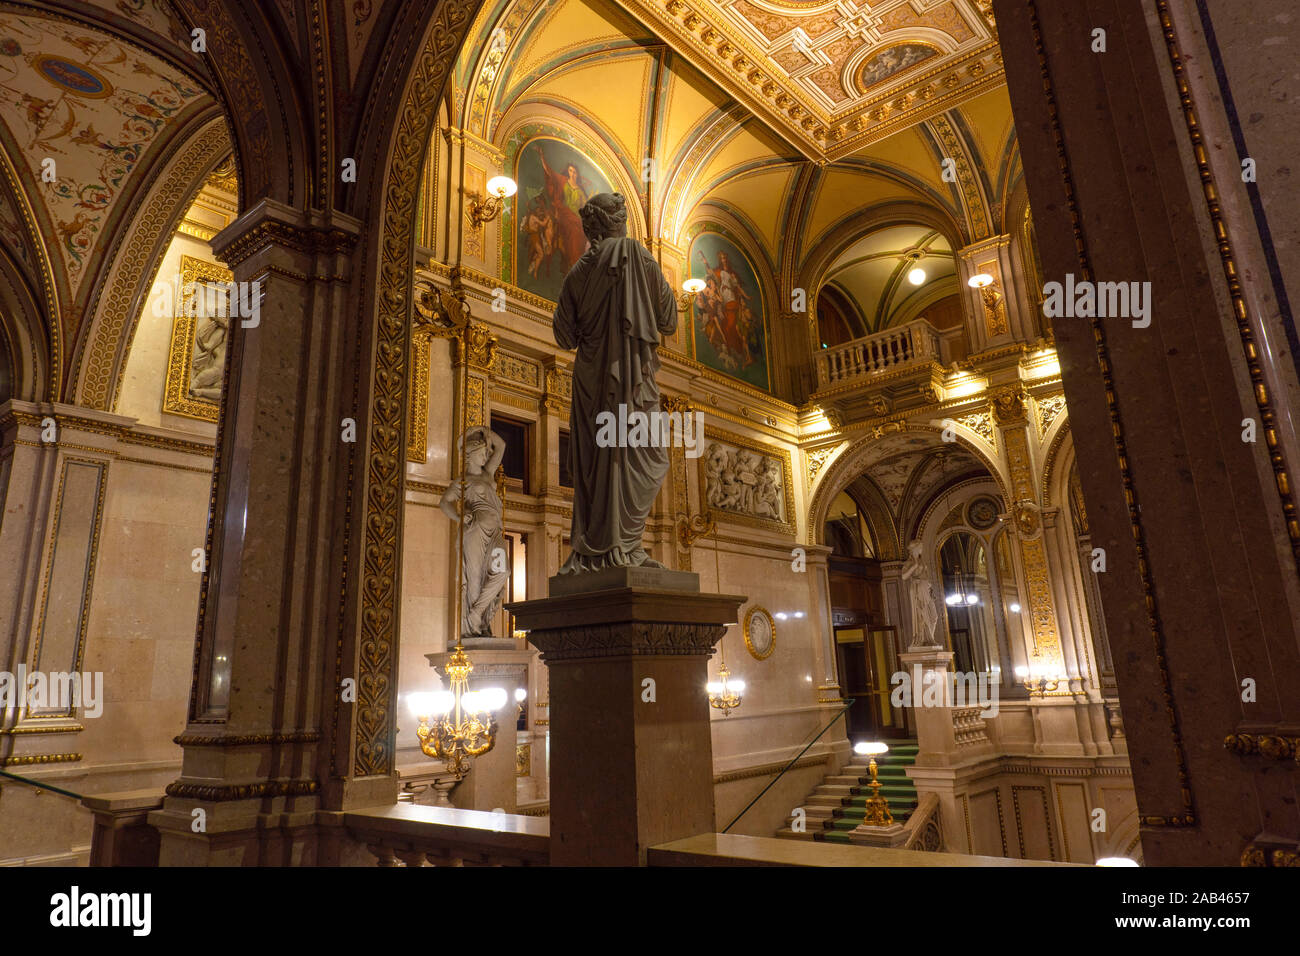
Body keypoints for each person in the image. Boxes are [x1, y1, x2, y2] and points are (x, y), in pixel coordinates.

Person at [552, 192, 677, 573]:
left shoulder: (576, 273)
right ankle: (623, 545)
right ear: (618, 223)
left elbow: (563, 335)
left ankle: (601, 547)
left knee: (598, 459)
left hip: (590, 381)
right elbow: (669, 320)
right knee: (647, 454)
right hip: (633, 377)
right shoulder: (638, 257)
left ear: (591, 229)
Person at [439, 427, 509, 638]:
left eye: (486, 453)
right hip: (475, 531)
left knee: (503, 572)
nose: (486, 455)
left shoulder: (488, 474)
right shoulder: (462, 481)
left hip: (495, 530)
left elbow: (502, 446)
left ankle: (476, 614)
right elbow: (444, 503)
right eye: (482, 453)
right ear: (469, 455)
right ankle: (476, 628)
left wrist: (483, 430)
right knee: (475, 580)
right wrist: (459, 518)